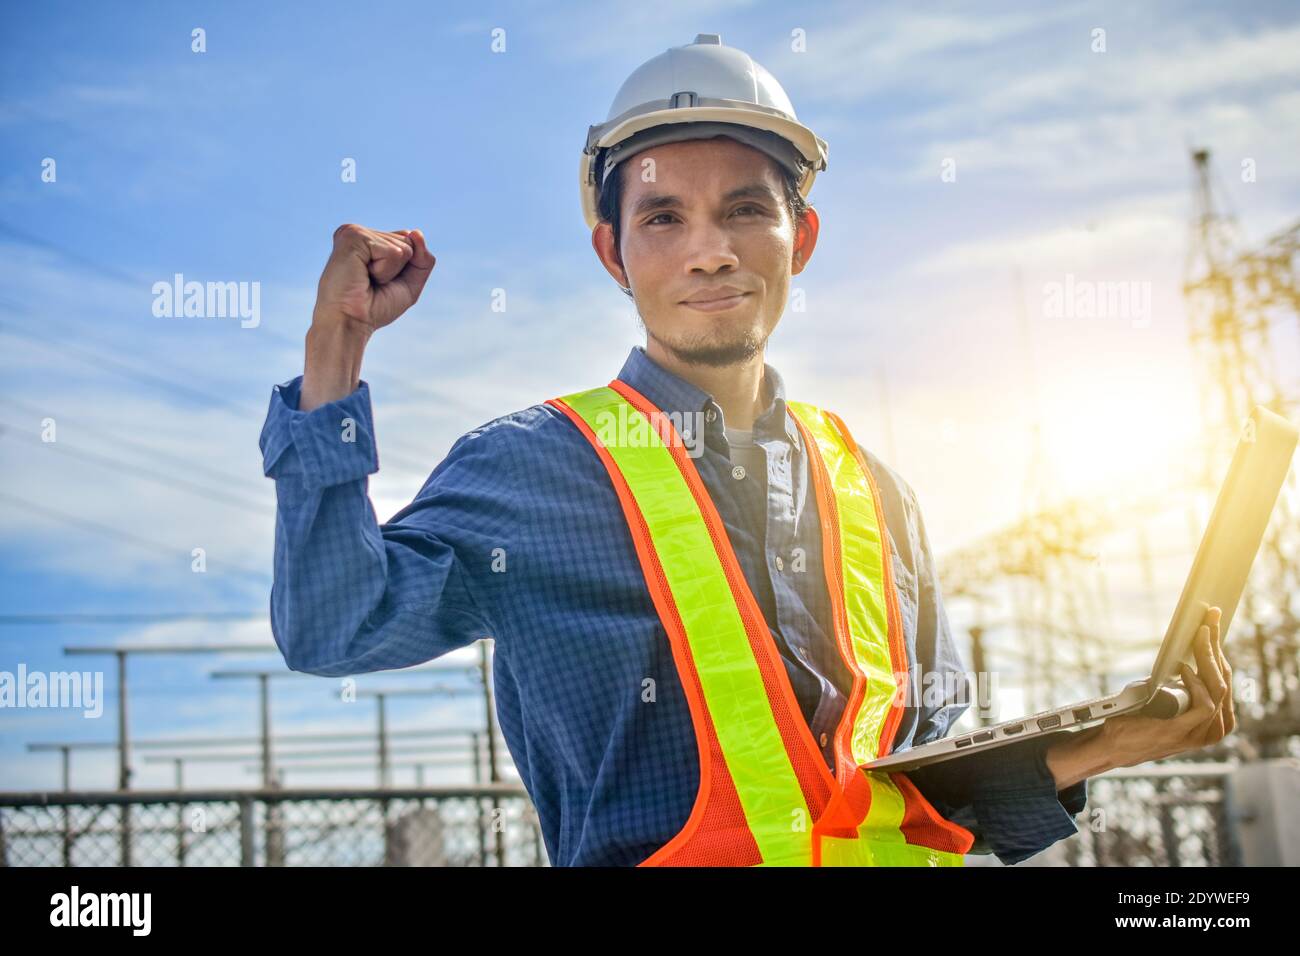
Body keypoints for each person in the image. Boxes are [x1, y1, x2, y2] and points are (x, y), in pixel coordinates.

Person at [259, 35, 1235, 866]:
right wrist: (332, 352)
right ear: (613, 252)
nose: (709, 250)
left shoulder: (875, 492)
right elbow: (333, 627)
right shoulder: (530, 469)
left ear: (799, 237)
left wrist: (1107, 742)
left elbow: (924, 798)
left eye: (743, 210)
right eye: (663, 217)